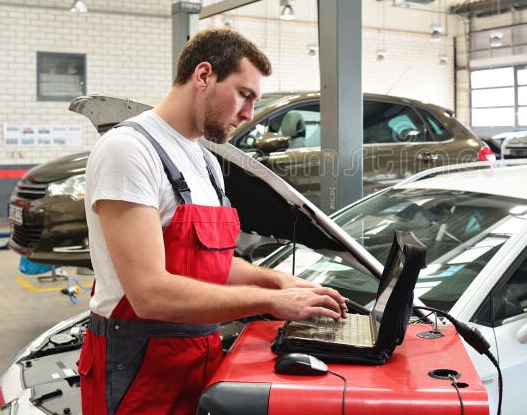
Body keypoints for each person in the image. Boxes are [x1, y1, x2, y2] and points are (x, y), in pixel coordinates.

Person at [78, 28, 347, 415]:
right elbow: (149, 293)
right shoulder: (129, 150)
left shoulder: (206, 161)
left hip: (198, 359)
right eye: (244, 94)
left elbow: (211, 263)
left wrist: (276, 279)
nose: (249, 114)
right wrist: (272, 301)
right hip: (136, 368)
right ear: (203, 76)